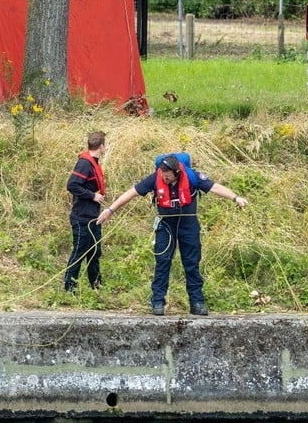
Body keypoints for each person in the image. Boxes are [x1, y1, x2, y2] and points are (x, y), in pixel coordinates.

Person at [97, 154, 248, 316]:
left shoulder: (192, 177)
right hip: (165, 225)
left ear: (177, 172)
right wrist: (110, 210)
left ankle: (197, 301)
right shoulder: (156, 178)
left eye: (167, 175)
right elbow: (132, 192)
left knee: (191, 262)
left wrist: (235, 197)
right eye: (162, 174)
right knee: (162, 261)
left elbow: (215, 187)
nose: (164, 178)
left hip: (188, 225)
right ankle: (157, 302)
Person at [63, 131, 107, 292]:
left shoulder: (93, 162)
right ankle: (69, 287)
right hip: (82, 217)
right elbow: (72, 185)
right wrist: (92, 196)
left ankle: (96, 285)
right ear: (101, 146)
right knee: (80, 252)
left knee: (95, 252)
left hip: (94, 217)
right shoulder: (85, 164)